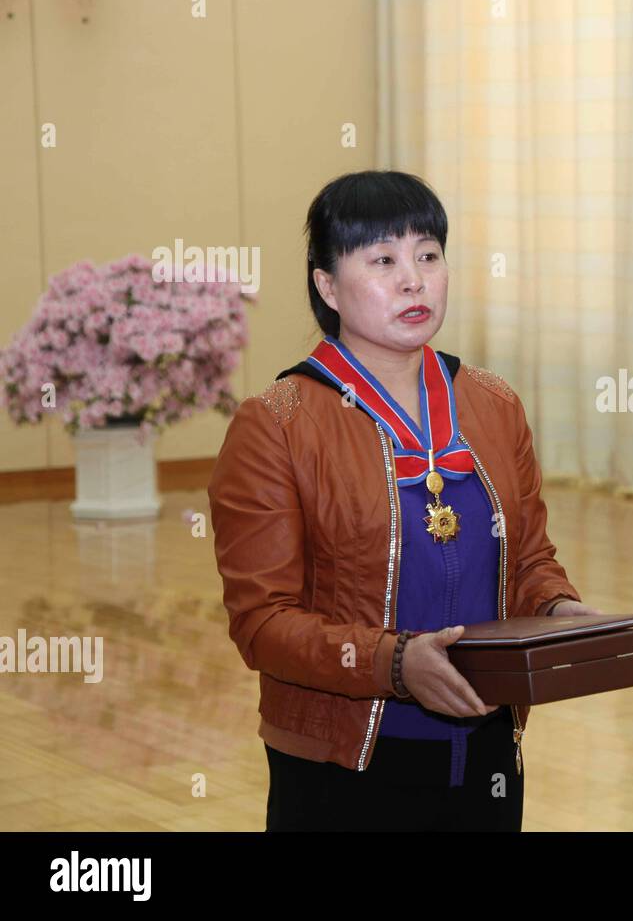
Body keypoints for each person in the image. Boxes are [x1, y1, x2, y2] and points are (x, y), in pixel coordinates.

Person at [208, 170, 596, 831]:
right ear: (327, 285)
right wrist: (395, 663)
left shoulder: (493, 404)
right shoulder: (276, 423)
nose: (413, 279)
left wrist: (561, 609)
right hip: (345, 763)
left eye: (428, 255)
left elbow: (528, 559)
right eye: (383, 260)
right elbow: (262, 622)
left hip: (488, 749)